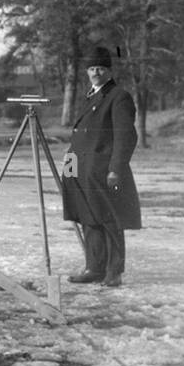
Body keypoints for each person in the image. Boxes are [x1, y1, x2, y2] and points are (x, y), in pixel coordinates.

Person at [61, 46, 141, 288]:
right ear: (87, 72)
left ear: (109, 70)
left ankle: (113, 272)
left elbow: (126, 136)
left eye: (101, 68)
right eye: (92, 68)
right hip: (82, 171)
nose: (96, 72)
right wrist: (69, 169)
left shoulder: (119, 96)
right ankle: (94, 269)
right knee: (89, 219)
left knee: (109, 220)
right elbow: (80, 136)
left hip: (104, 172)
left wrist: (115, 168)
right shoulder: (90, 95)